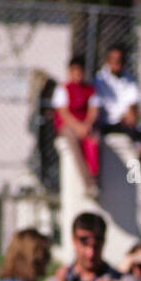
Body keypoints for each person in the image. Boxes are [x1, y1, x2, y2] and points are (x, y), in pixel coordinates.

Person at [94, 44, 141, 207]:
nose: (117, 65)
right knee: (134, 145)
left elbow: (132, 106)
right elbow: (104, 108)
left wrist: (131, 115)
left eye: (120, 61)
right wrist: (126, 115)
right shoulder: (99, 80)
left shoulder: (129, 79)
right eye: (113, 61)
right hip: (109, 124)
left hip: (129, 125)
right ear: (107, 61)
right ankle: (130, 174)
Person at [52, 56, 101, 198]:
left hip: (85, 125)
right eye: (75, 71)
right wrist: (78, 127)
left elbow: (93, 110)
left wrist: (86, 125)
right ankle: (88, 182)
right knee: (73, 142)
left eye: (80, 71)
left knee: (94, 140)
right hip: (69, 126)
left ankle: (96, 178)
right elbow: (63, 113)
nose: (78, 74)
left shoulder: (90, 90)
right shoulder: (63, 89)